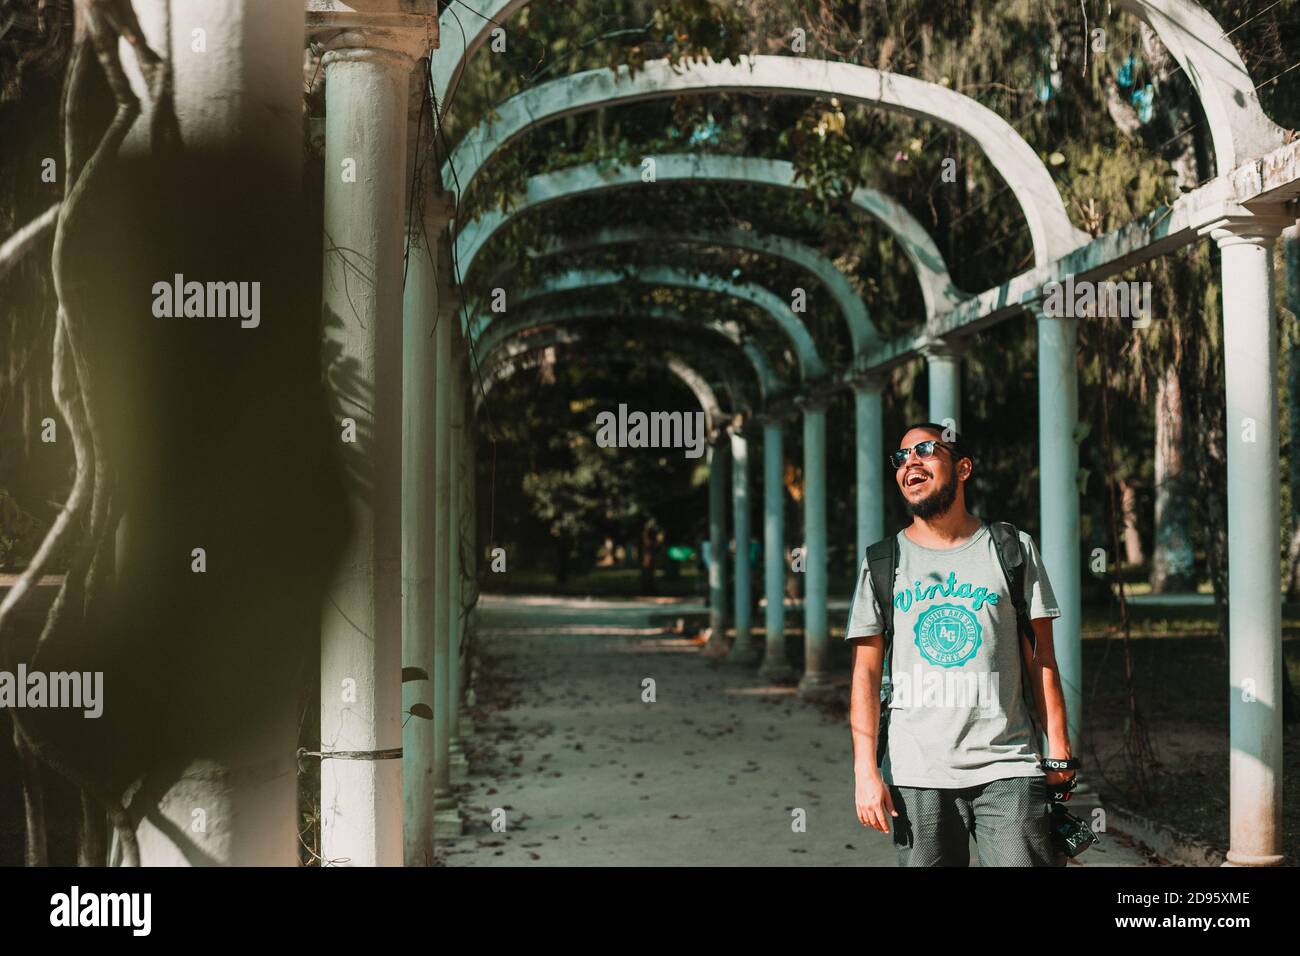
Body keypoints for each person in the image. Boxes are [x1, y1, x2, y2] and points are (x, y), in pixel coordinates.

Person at [845, 423, 1075, 867]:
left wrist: (1060, 749)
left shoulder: (1012, 548)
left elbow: (1041, 658)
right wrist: (865, 771)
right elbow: (865, 675)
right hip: (917, 773)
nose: (910, 461)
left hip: (1007, 765)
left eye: (926, 450)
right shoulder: (882, 561)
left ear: (963, 467)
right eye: (901, 456)